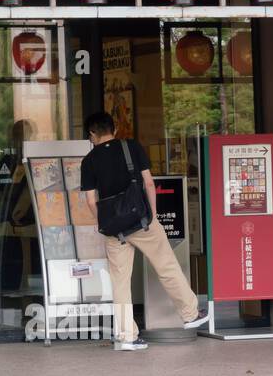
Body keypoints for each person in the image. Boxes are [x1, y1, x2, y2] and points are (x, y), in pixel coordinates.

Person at [79, 111, 208, 351]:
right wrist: (154, 214)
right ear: (114, 129)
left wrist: (105, 223)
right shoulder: (131, 147)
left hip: (114, 231)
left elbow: (89, 201)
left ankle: (127, 336)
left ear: (92, 134)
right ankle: (190, 314)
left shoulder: (89, 161)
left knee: (120, 282)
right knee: (167, 266)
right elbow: (149, 182)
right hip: (142, 220)